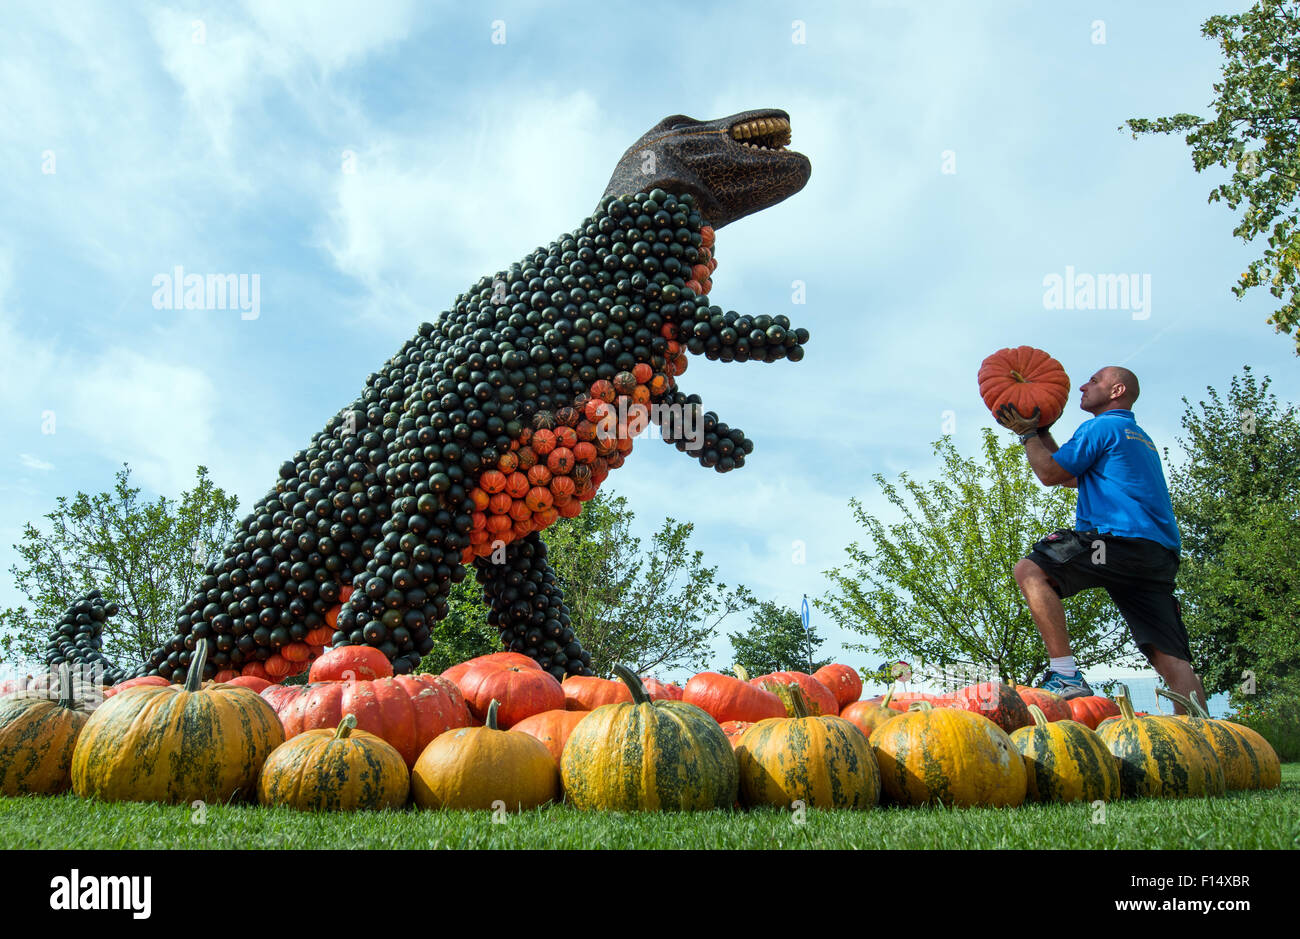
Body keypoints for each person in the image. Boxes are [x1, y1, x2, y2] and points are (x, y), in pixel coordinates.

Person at [996, 365, 1207, 713]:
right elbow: (1071, 475)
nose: (1083, 386)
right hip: (1157, 555)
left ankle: (1065, 675)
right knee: (1170, 657)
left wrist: (1027, 434)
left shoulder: (1100, 426)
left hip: (1117, 542)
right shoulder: (1135, 436)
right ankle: (1201, 735)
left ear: (1116, 391)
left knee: (1030, 570)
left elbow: (1049, 473)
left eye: (1094, 381)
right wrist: (1043, 432)